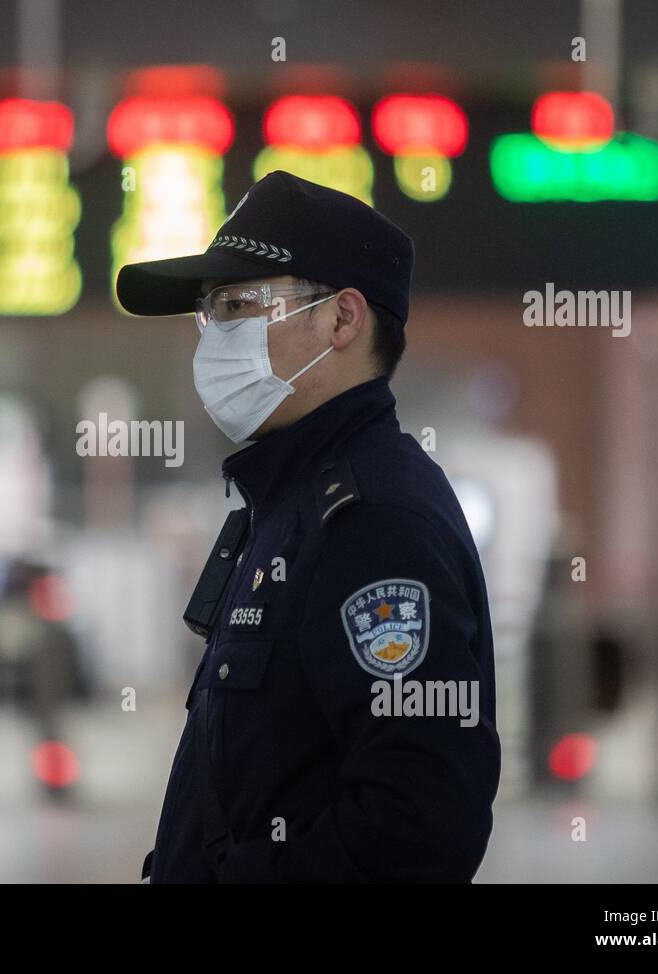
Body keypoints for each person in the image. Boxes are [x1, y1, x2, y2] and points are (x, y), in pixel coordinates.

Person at [116, 170, 499, 882]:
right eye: (208, 313)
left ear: (342, 320)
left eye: (237, 304)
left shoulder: (377, 522)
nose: (213, 339)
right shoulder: (287, 506)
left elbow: (418, 823)